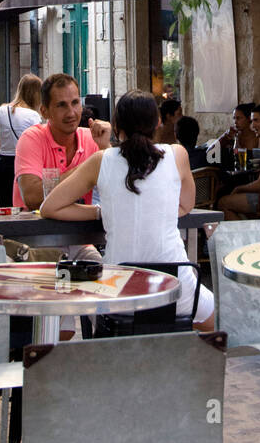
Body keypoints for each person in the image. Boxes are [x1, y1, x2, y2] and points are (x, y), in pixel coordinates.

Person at [41, 90, 215, 330]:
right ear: (157, 123)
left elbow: (49, 207)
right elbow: (186, 205)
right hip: (175, 285)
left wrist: (102, 212)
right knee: (215, 323)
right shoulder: (177, 154)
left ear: (116, 125)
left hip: (118, 293)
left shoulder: (101, 160)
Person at [13, 73, 112, 211]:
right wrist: (89, 169)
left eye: (75, 103)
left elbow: (120, 191)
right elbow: (32, 198)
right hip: (35, 229)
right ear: (44, 112)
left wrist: (106, 148)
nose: (71, 113)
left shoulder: (93, 139)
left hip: (80, 229)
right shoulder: (31, 138)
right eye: (61, 105)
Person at [0, 75, 43, 208]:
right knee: (25, 208)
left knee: (4, 207)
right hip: (25, 167)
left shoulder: (2, 111)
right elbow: (38, 144)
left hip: (3, 165)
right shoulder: (33, 116)